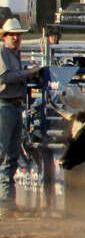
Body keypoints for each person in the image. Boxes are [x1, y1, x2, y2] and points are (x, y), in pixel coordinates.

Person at [1, 18, 45, 217]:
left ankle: (7, 202)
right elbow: (5, 78)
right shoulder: (2, 54)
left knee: (11, 155)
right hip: (4, 106)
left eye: (18, 35)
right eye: (13, 35)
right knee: (4, 154)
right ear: (5, 36)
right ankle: (5, 201)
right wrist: (27, 73)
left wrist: (29, 74)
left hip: (13, 106)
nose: (17, 38)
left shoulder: (13, 55)